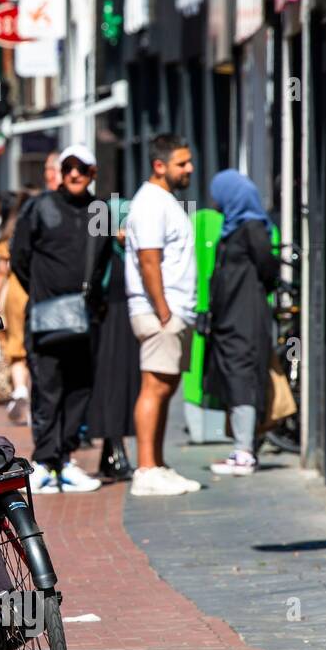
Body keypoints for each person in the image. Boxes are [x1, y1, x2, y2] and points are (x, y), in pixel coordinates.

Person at [10, 145, 111, 493]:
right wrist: (42, 294)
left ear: (93, 173)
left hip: (85, 318)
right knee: (48, 390)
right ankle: (45, 461)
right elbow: (19, 258)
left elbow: (103, 262)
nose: (73, 174)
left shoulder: (101, 211)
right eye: (67, 167)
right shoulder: (39, 207)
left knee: (79, 390)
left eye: (81, 168)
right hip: (45, 315)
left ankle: (65, 460)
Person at [125, 134, 201, 496]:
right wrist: (164, 310)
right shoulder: (152, 203)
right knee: (154, 386)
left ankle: (156, 463)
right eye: (182, 163)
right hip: (159, 312)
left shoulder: (165, 201)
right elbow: (149, 259)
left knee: (166, 386)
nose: (189, 168)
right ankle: (145, 469)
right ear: (160, 165)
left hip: (171, 311)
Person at [205, 170, 278, 477]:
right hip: (230, 317)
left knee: (241, 376)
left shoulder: (251, 227)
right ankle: (243, 446)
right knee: (235, 376)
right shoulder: (232, 228)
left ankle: (245, 451)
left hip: (245, 318)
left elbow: (268, 269)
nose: (216, 202)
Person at [87, 197, 140, 482]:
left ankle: (113, 453)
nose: (125, 231)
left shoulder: (132, 253)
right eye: (121, 224)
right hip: (107, 326)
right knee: (112, 388)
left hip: (127, 326)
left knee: (126, 387)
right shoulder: (105, 255)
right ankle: (116, 453)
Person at [0, 192, 33, 424]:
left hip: (15, 295)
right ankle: (29, 394)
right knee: (34, 348)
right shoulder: (37, 234)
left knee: (16, 346)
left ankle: (20, 390)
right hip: (37, 293)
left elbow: (1, 272)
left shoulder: (9, 235)